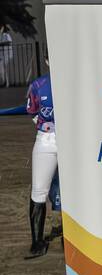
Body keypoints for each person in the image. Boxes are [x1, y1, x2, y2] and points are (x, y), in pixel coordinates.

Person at [25, 61, 58, 259]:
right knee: (39, 189)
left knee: (75, 189)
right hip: (47, 140)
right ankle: (36, 240)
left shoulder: (77, 80)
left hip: (74, 140)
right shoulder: (38, 85)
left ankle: (76, 237)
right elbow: (32, 111)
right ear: (46, 60)